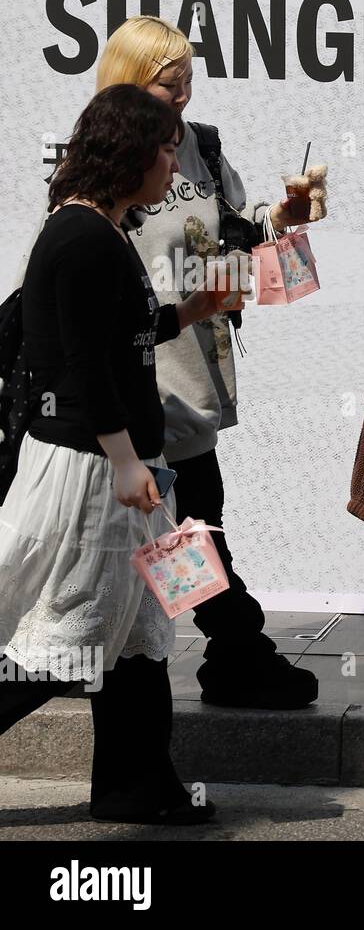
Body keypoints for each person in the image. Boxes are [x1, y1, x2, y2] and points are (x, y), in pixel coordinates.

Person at [0, 84, 224, 823]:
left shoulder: (102, 230)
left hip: (119, 469)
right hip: (95, 473)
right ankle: (137, 787)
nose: (172, 159)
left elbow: (120, 338)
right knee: (70, 637)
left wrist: (186, 313)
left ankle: (137, 788)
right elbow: (86, 365)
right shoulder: (84, 237)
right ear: (129, 151)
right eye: (164, 146)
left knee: (138, 641)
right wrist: (129, 463)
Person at [95, 16, 321, 707]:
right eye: (169, 85)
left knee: (194, 527)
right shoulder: (105, 157)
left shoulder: (201, 145)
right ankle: (236, 650)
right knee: (183, 532)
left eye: (188, 81)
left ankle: (229, 653)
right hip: (145, 378)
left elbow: (237, 229)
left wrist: (285, 216)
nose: (183, 97)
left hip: (199, 367)